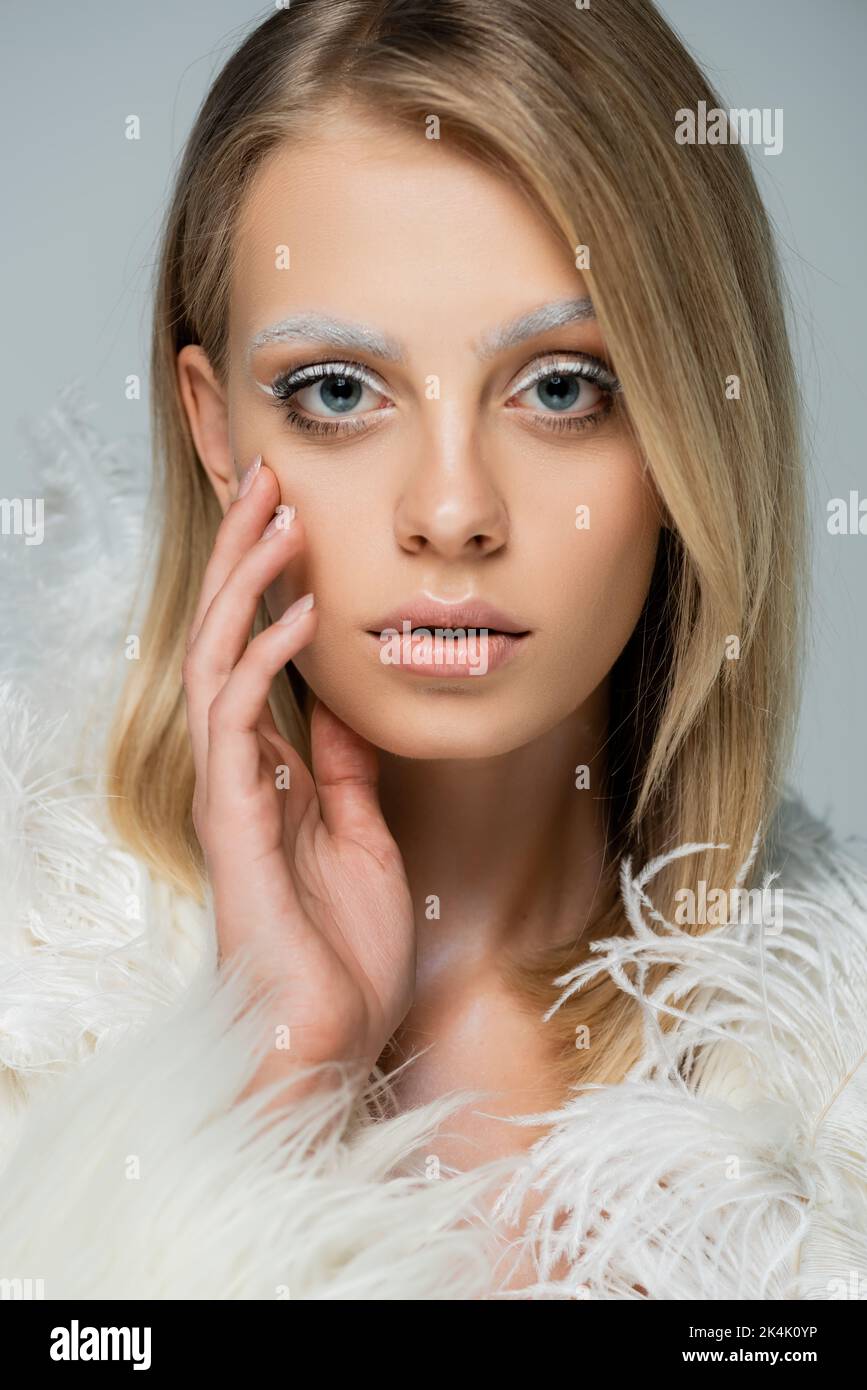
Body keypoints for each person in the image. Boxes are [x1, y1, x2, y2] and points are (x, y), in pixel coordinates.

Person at [1, 0, 866, 1301]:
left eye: (563, 384)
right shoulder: (33, 1007)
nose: (452, 510)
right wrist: (263, 1088)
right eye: (339, 390)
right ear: (218, 429)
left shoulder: (834, 1102)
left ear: (693, 421)